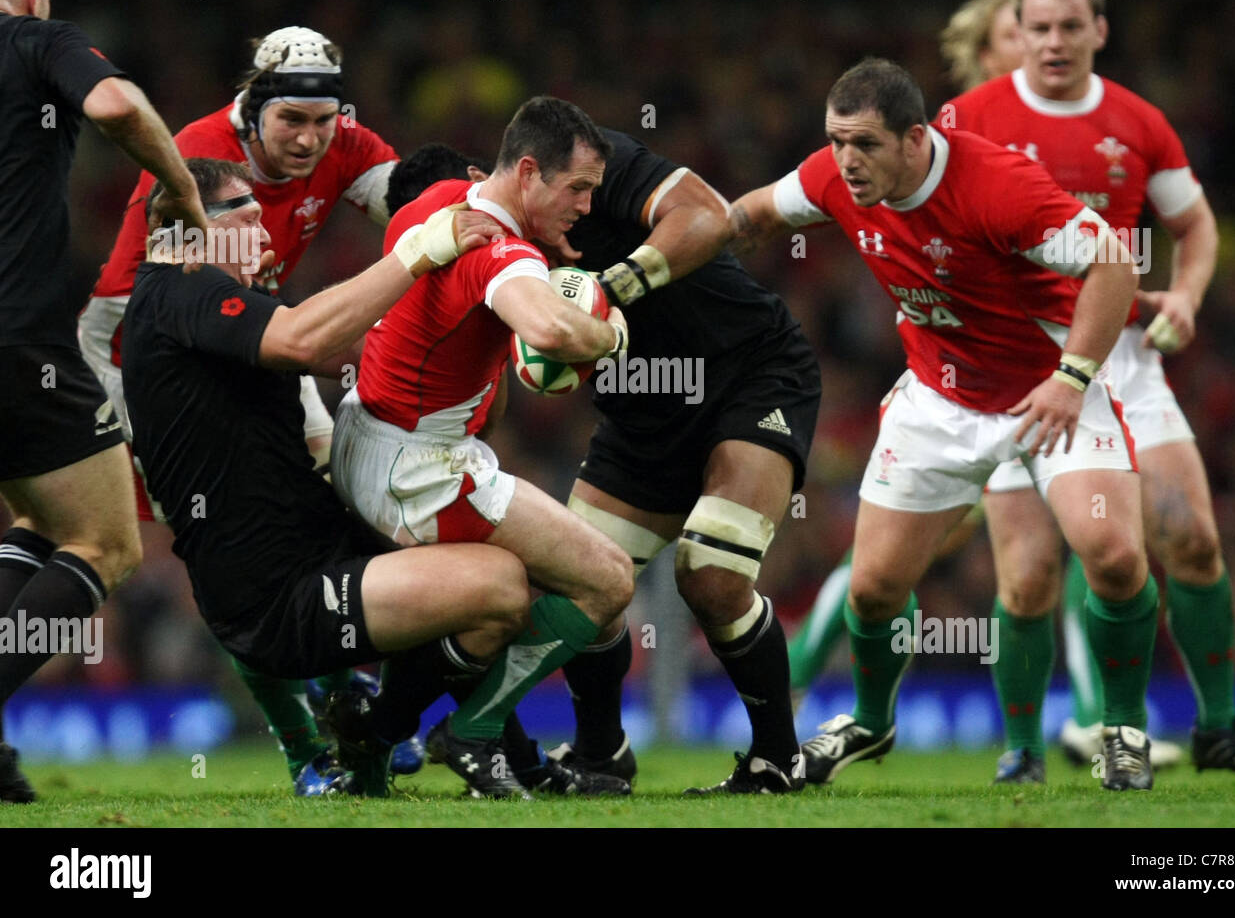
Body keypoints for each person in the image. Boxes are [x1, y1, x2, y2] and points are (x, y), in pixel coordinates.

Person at [731, 56, 1161, 791]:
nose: (845, 160)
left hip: (1048, 389)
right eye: (836, 140)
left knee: (1114, 558)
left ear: (915, 139)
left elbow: (1114, 266)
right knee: (872, 591)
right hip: (939, 398)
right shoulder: (834, 178)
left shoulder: (998, 187)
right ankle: (871, 720)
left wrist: (1072, 377)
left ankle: (1122, 730)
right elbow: (756, 215)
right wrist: (670, 253)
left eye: (864, 143)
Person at [942, 0, 1235, 783]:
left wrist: (1187, 296)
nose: (1055, 42)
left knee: (1196, 545)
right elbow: (930, 231)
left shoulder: (1139, 122)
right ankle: (1024, 751)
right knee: (1027, 581)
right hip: (1019, 368)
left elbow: (1197, 226)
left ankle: (1218, 727)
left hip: (1127, 366)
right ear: (1015, 34)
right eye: (1039, 29)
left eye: (1072, 27)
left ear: (1099, 29)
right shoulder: (967, 120)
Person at [387, 122, 823, 794]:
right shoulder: (489, 246)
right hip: (641, 413)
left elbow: (712, 217)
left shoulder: (593, 164)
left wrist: (612, 286)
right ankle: (600, 754)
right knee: (582, 583)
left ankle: (776, 758)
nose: (585, 204)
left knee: (710, 573)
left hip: (750, 375)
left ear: (516, 171)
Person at [119, 156, 540, 798]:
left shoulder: (203, 306)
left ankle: (404, 743)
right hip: (274, 597)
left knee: (499, 556)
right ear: (191, 227)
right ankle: (376, 732)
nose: (265, 237)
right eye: (249, 219)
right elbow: (303, 341)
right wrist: (418, 253)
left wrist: (484, 318)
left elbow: (364, 347)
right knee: (499, 589)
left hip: (310, 555)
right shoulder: (181, 285)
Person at [76, 25, 410, 793]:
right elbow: (121, 304)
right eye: (292, 121)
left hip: (259, 332)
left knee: (332, 485)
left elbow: (417, 206)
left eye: (324, 122)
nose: (310, 141)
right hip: (146, 359)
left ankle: (342, 680)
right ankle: (306, 749)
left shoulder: (344, 142)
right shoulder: (190, 155)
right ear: (251, 110)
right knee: (224, 550)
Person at [329, 96, 636, 798]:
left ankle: (378, 741)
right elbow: (551, 332)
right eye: (578, 188)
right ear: (527, 172)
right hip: (419, 468)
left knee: (485, 603)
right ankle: (473, 731)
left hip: (370, 436)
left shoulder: (441, 200)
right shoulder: (497, 252)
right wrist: (611, 331)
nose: (587, 207)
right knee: (607, 581)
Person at [0, 0, 204, 804]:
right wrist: (182, 185)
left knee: (42, 524)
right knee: (109, 542)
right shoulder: (36, 40)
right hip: (17, 340)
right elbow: (118, 105)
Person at [786, 0, 1021, 710]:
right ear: (981, 54)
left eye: (1055, 31)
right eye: (1020, 33)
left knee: (1068, 554)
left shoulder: (1074, 134)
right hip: (956, 397)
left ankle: (1077, 730)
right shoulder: (948, 139)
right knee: (883, 572)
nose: (1044, 47)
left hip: (1044, 381)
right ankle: (797, 688)